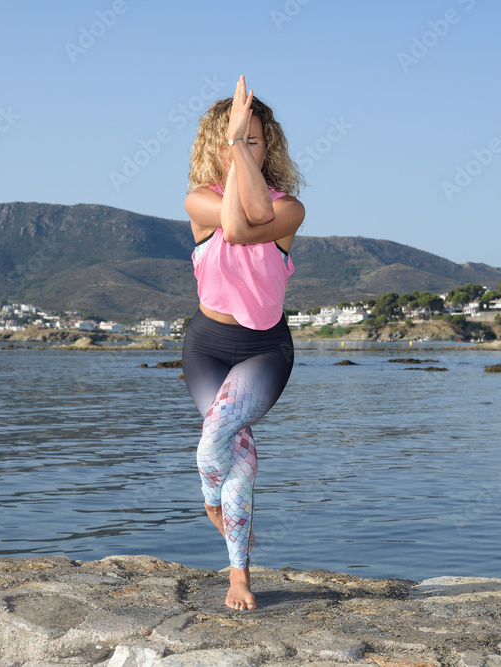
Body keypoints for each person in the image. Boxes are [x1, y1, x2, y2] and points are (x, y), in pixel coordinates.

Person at [182, 75, 305, 611]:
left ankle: (213, 504)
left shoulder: (291, 210)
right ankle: (238, 575)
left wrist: (237, 151)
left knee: (216, 441)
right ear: (213, 145)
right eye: (236, 138)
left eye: (254, 140)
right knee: (239, 458)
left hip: (265, 349)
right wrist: (235, 156)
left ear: (267, 146)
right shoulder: (196, 201)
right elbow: (229, 223)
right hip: (207, 344)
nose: (245, 147)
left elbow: (248, 224)